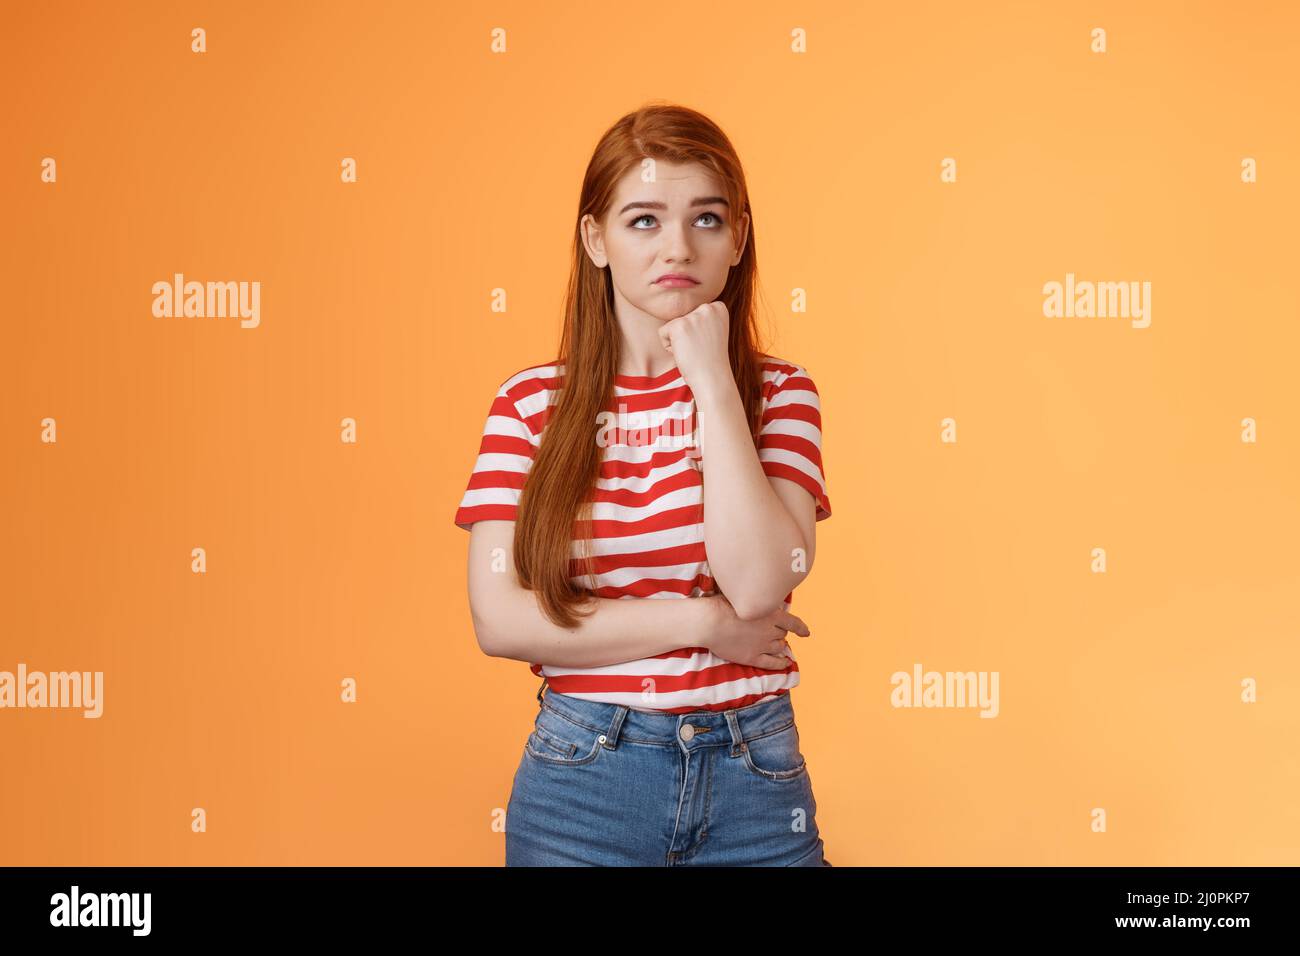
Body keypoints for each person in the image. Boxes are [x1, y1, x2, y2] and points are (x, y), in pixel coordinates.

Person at [454, 103, 833, 866]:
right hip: (584, 778)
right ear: (596, 239)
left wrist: (713, 385)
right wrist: (701, 624)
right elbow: (500, 621)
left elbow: (760, 585)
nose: (678, 248)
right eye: (644, 221)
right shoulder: (530, 406)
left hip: (755, 774)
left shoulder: (782, 395)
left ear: (739, 238)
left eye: (706, 218)